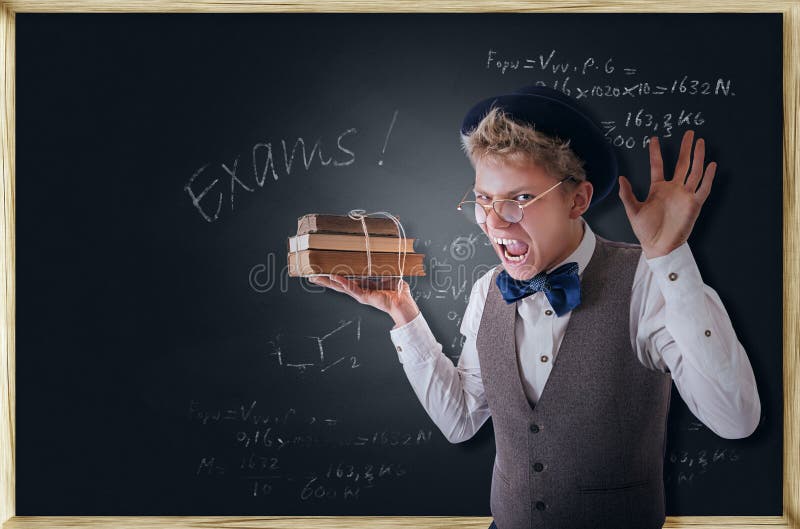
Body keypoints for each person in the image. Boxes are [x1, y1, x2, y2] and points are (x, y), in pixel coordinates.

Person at [309, 85, 761, 529]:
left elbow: (736, 419)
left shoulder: (648, 281)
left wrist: (670, 259)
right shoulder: (488, 289)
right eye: (484, 199)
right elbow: (462, 419)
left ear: (578, 200)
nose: (495, 221)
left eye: (521, 198)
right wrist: (401, 309)